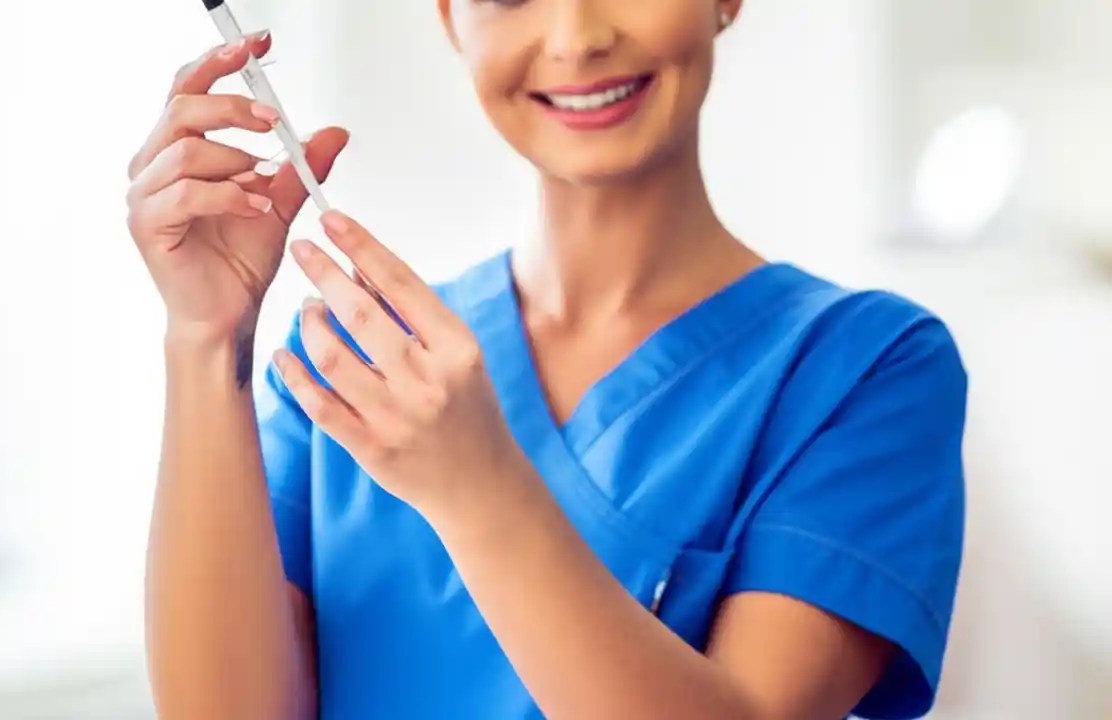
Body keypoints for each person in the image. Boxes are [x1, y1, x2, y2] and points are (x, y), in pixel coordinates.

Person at [124, 2, 967, 718]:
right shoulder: (353, 363)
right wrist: (205, 338)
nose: (575, 37)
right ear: (452, 17)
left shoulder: (865, 369)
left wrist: (477, 488)